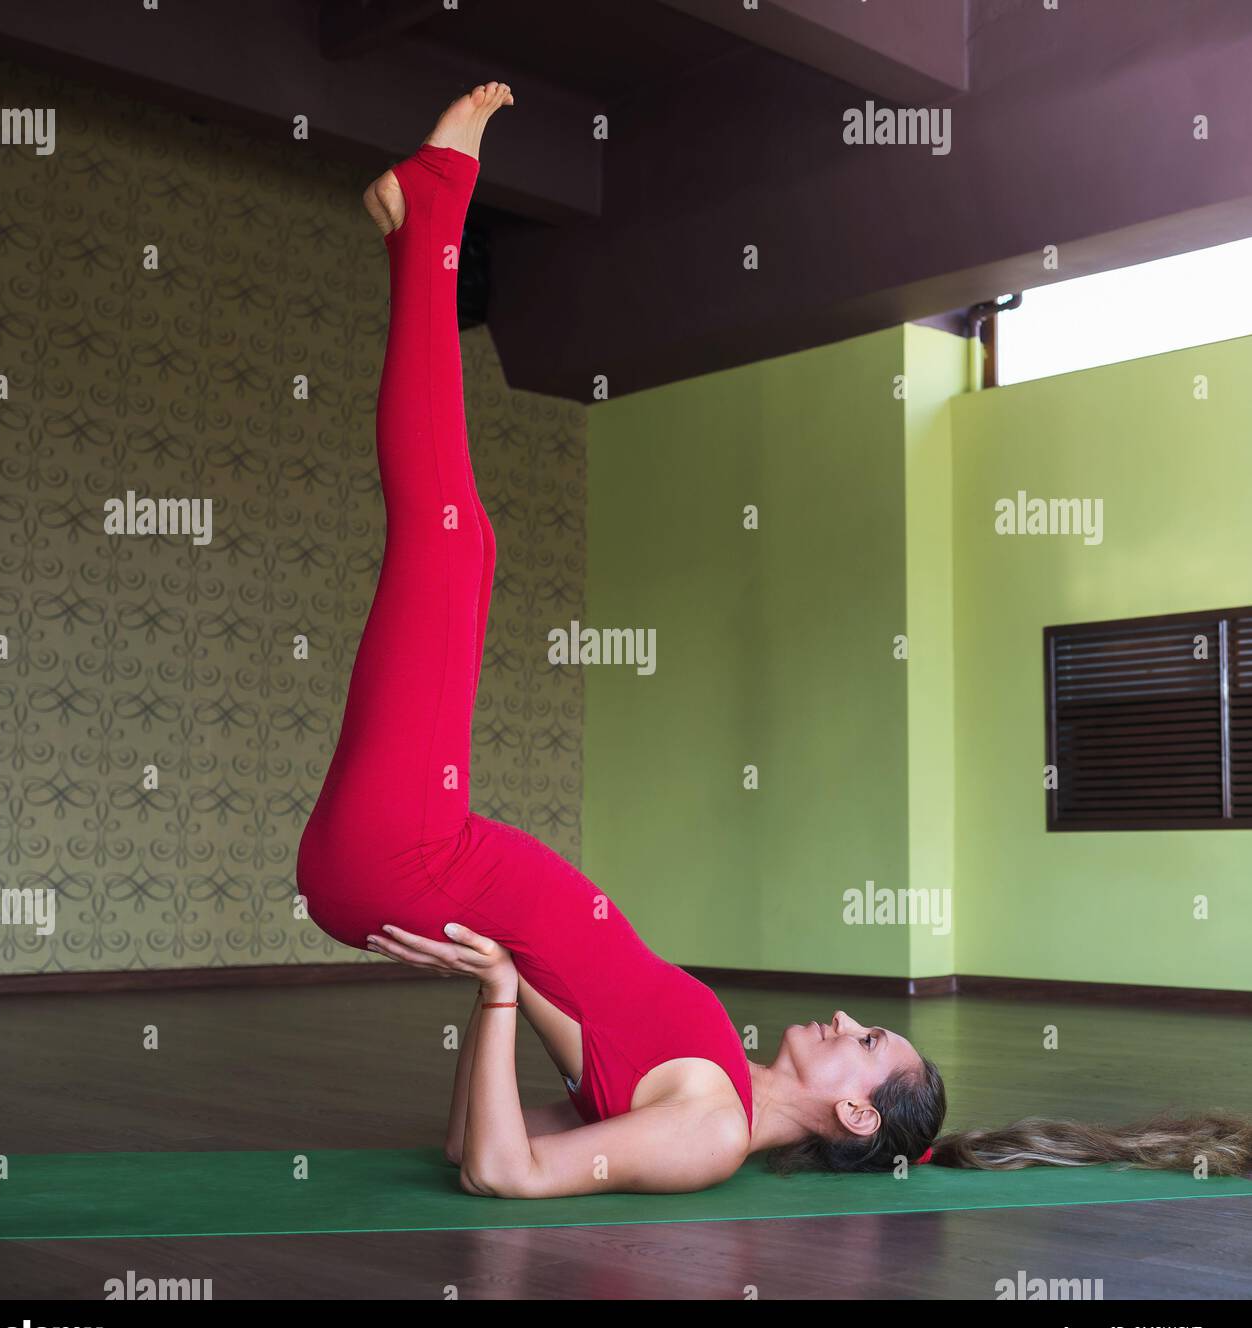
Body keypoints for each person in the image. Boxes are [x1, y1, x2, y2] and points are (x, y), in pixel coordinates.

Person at [297, 84, 1249, 1197]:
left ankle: (435, 211)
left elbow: (501, 1175)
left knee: (452, 539)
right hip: (422, 853)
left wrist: (501, 993)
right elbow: (480, 1137)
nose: (849, 1018)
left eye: (868, 1042)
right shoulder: (714, 1071)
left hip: (411, 854)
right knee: (466, 540)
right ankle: (423, 226)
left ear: (854, 1105)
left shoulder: (707, 1129)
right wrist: (502, 977)